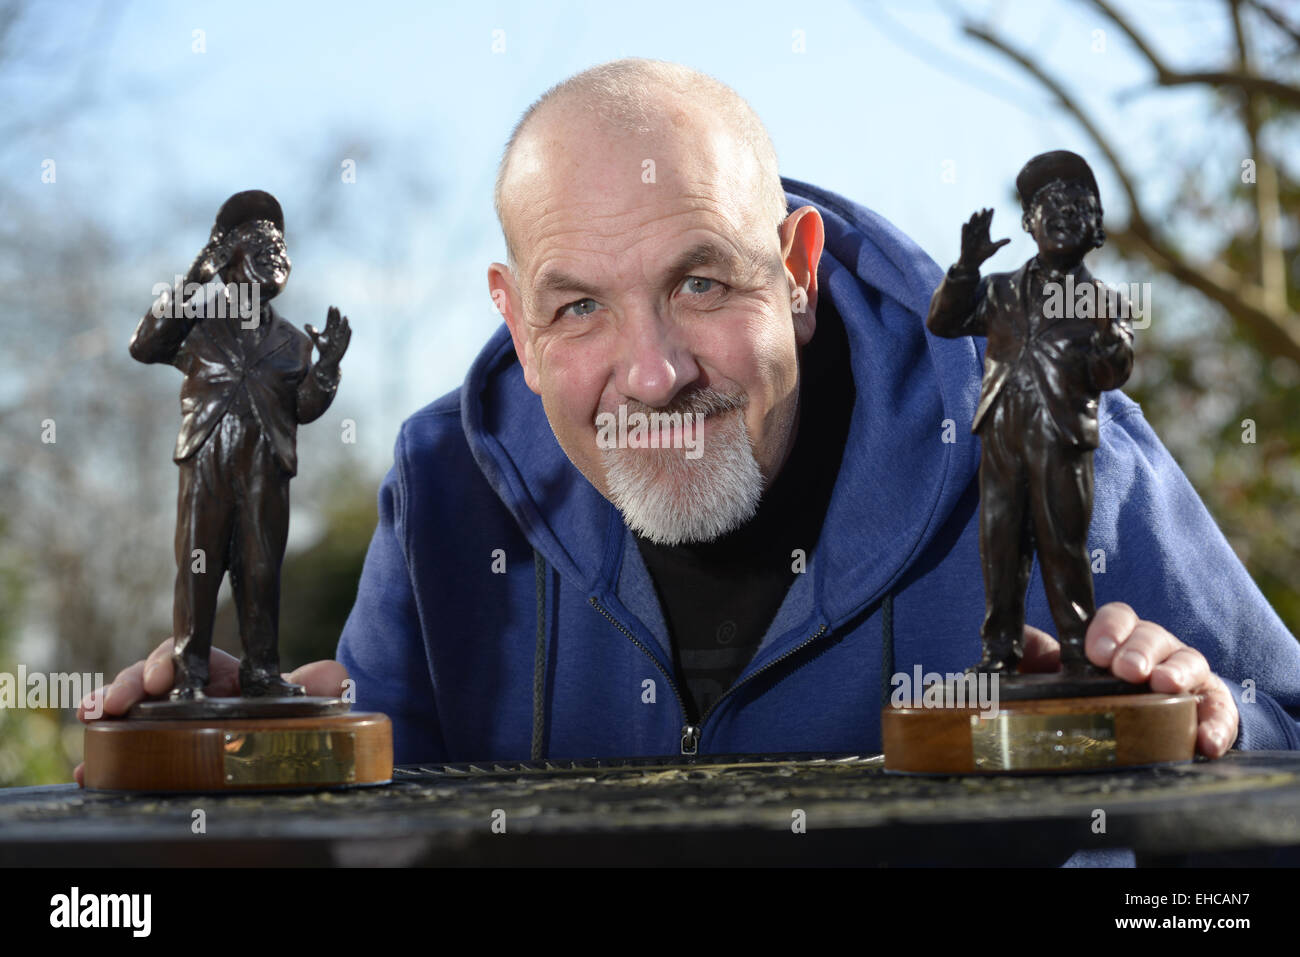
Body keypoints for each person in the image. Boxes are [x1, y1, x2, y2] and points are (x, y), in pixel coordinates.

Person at [83, 62, 1300, 859]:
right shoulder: (443, 489)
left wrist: (1218, 735)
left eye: (701, 282)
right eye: (578, 311)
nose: (653, 372)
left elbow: (1277, 746)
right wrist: (241, 753)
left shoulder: (1038, 445)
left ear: (800, 270)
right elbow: (374, 827)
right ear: (513, 317)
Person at [126, 190, 351, 699]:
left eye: (281, 251)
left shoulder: (293, 342)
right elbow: (145, 345)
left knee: (261, 568)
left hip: (266, 466)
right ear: (230, 259)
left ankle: (262, 672)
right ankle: (190, 675)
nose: (278, 258)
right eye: (264, 249)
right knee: (198, 565)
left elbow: (303, 408)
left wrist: (328, 368)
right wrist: (195, 276)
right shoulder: (196, 321)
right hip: (207, 459)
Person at [926, 150, 1133, 676]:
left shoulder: (1102, 300)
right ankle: (1000, 650)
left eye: (1076, 208)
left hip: (1061, 437)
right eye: (1049, 207)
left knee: (1062, 543)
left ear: (1097, 230)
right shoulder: (998, 289)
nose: (1062, 215)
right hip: (1002, 434)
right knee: (1000, 543)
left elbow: (1116, 370)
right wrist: (966, 267)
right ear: (1027, 224)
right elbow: (943, 322)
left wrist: (1107, 335)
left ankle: (1079, 651)